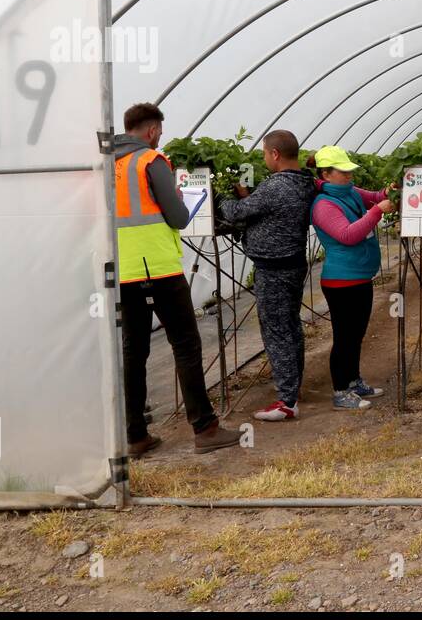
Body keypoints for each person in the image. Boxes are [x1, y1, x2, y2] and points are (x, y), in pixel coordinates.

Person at [113, 103, 241, 456]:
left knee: (133, 349)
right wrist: (182, 203)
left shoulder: (107, 166)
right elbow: (179, 217)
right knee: (185, 343)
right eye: (160, 132)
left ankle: (135, 435)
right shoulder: (150, 161)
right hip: (159, 269)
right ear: (152, 130)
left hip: (123, 271)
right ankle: (205, 428)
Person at [217, 130, 320, 421]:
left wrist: (222, 194)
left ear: (275, 154)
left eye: (264, 153)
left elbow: (237, 212)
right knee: (290, 326)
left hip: (273, 269)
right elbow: (261, 209)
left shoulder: (276, 187)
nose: (263, 158)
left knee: (276, 331)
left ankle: (286, 401)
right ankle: (293, 387)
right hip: (293, 263)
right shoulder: (304, 182)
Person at [309, 145, 397, 410]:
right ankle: (339, 391)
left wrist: (391, 191)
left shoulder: (349, 191)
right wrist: (377, 211)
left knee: (356, 333)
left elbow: (375, 196)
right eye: (343, 171)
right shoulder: (323, 205)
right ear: (326, 173)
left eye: (349, 170)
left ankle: (354, 380)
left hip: (361, 276)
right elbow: (347, 235)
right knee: (344, 336)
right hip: (341, 281)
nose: (349, 175)